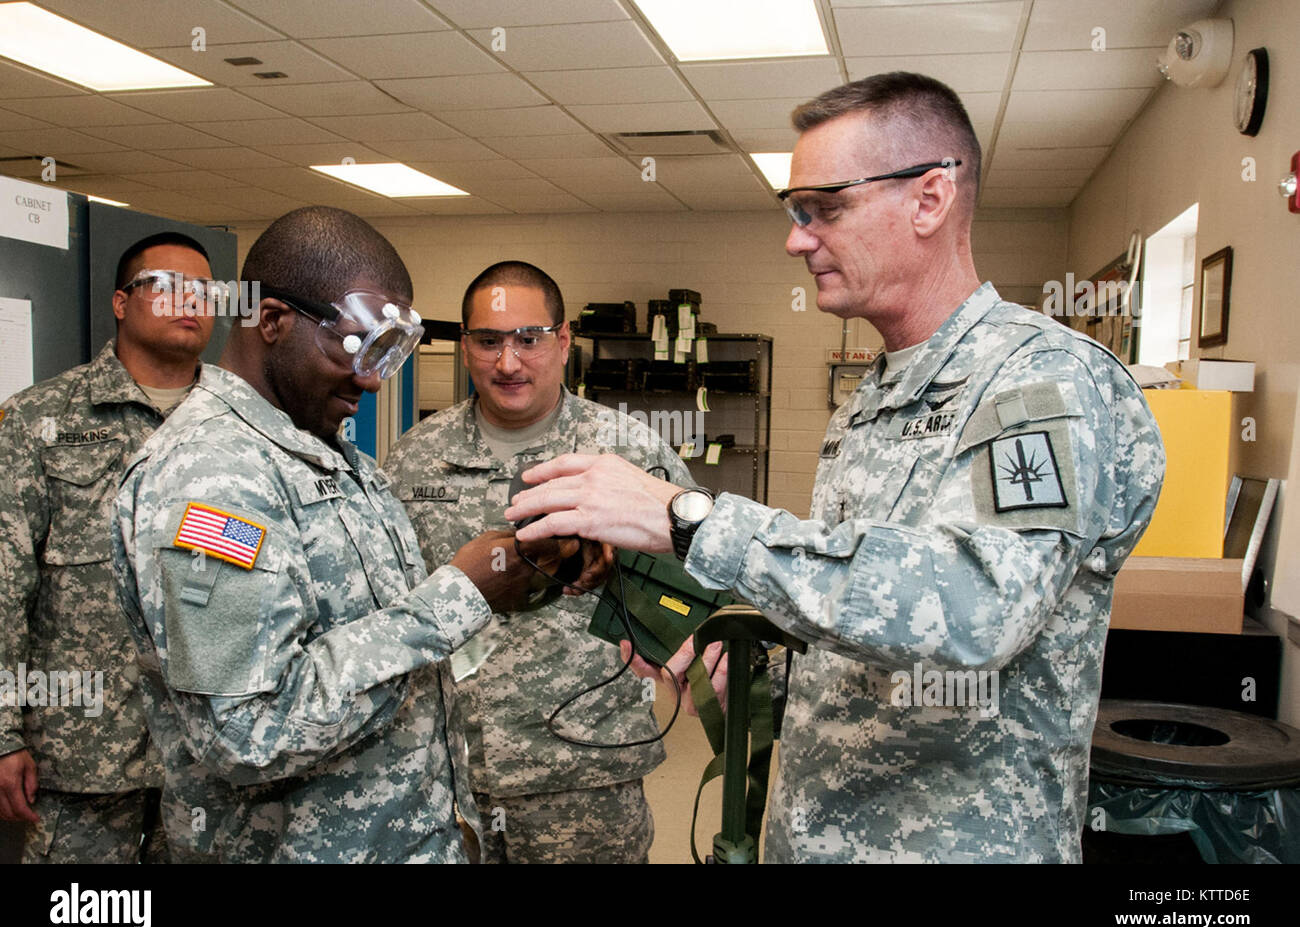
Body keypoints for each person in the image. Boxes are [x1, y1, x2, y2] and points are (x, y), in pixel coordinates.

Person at [506, 73, 1166, 863]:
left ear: (930, 199)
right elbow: (867, 599)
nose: (796, 238)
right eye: (794, 211)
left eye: (826, 207)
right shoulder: (870, 400)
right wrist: (763, 662)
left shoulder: (1040, 381)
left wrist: (690, 518)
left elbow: (976, 607)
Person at [112, 207, 578, 863]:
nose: (370, 379)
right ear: (273, 321)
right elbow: (247, 730)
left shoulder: (328, 456)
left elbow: (384, 647)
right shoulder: (213, 477)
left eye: (389, 353)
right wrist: (457, 595)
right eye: (357, 347)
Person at [384, 261, 692, 863]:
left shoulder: (627, 451)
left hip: (584, 774)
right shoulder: (416, 458)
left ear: (565, 340)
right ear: (465, 345)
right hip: (451, 772)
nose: (508, 362)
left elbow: (688, 580)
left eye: (529, 338)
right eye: (489, 340)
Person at [0, 232, 218, 862]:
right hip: (82, 750)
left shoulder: (239, 422)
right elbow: (5, 584)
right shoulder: (40, 419)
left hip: (212, 750)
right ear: (122, 303)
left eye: (206, 291)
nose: (191, 302)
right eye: (168, 287)